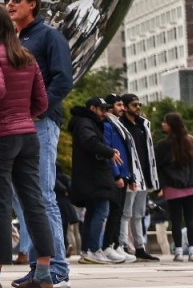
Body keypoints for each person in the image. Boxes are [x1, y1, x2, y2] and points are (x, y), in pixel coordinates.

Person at [0, 4, 56, 288]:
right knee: (34, 202)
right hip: (28, 137)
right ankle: (42, 272)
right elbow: (42, 102)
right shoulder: (25, 56)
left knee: (0, 205)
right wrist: (21, 115)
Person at [4, 0, 72, 288]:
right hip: (14, 125)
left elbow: (63, 79)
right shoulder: (12, 40)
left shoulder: (49, 36)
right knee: (23, 197)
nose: (10, 3)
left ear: (33, 3)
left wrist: (38, 109)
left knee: (43, 195)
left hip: (40, 123)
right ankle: (37, 266)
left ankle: (56, 268)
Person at [68, 96, 118, 264]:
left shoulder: (86, 123)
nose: (105, 113)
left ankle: (88, 249)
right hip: (94, 176)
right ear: (92, 109)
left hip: (91, 176)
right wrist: (109, 152)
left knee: (93, 213)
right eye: (102, 109)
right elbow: (90, 142)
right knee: (101, 211)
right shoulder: (85, 123)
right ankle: (93, 249)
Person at [116, 93, 160, 261]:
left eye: (139, 104)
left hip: (144, 174)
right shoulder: (121, 126)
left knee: (139, 213)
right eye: (134, 105)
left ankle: (140, 247)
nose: (138, 108)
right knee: (126, 212)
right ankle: (123, 245)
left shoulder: (143, 125)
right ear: (126, 107)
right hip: (131, 174)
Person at [155, 111, 193, 261]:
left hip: (173, 188)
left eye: (165, 122)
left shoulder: (163, 145)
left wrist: (161, 184)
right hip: (192, 188)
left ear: (170, 125)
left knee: (176, 220)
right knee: (190, 220)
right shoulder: (192, 141)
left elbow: (156, 165)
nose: (163, 124)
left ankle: (179, 252)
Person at [100, 94, 136, 263]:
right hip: (117, 174)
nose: (122, 108)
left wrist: (132, 176)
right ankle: (108, 245)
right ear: (110, 107)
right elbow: (109, 151)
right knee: (114, 211)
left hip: (125, 173)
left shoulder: (119, 125)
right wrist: (116, 174)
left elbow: (128, 152)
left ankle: (116, 245)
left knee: (119, 211)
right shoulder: (108, 125)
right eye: (119, 105)